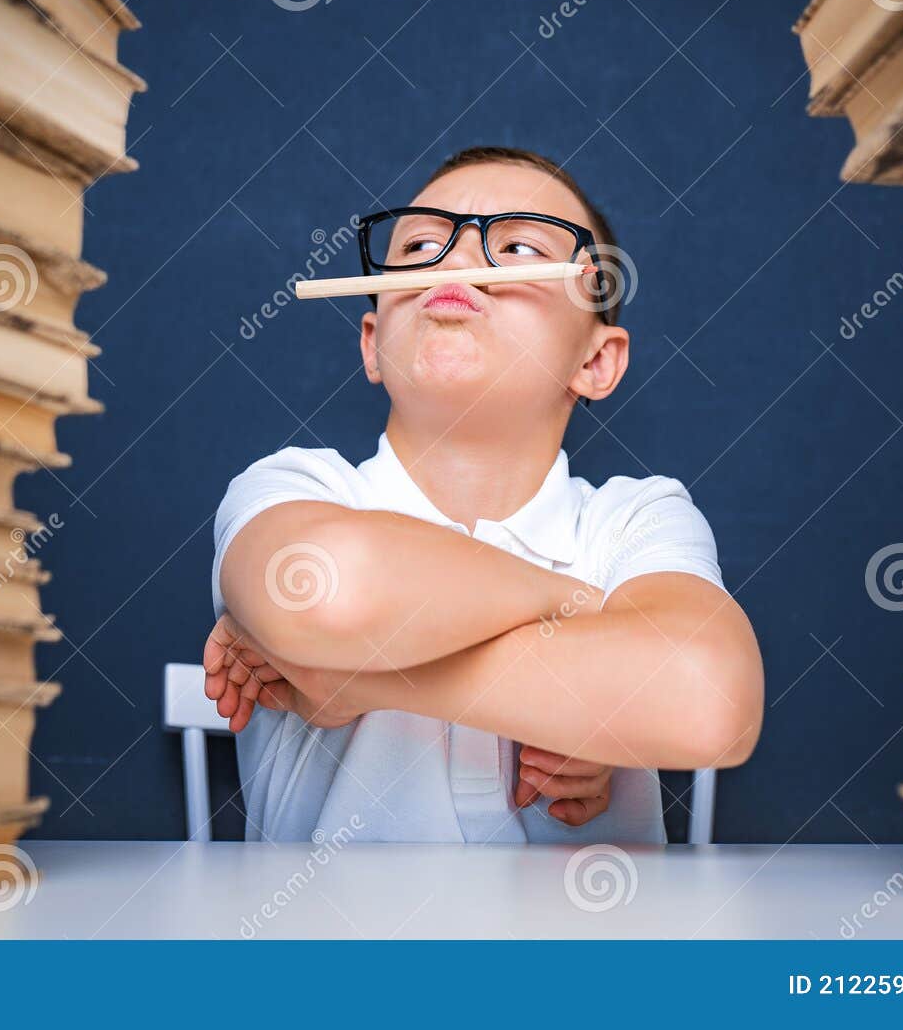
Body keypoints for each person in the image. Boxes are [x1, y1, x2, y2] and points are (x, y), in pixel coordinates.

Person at [204, 146, 762, 842]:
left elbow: (709, 701)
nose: (457, 260)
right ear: (372, 344)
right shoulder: (293, 486)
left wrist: (360, 679)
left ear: (595, 360)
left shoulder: (635, 517)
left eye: (520, 245)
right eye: (421, 245)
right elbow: (323, 593)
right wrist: (586, 634)